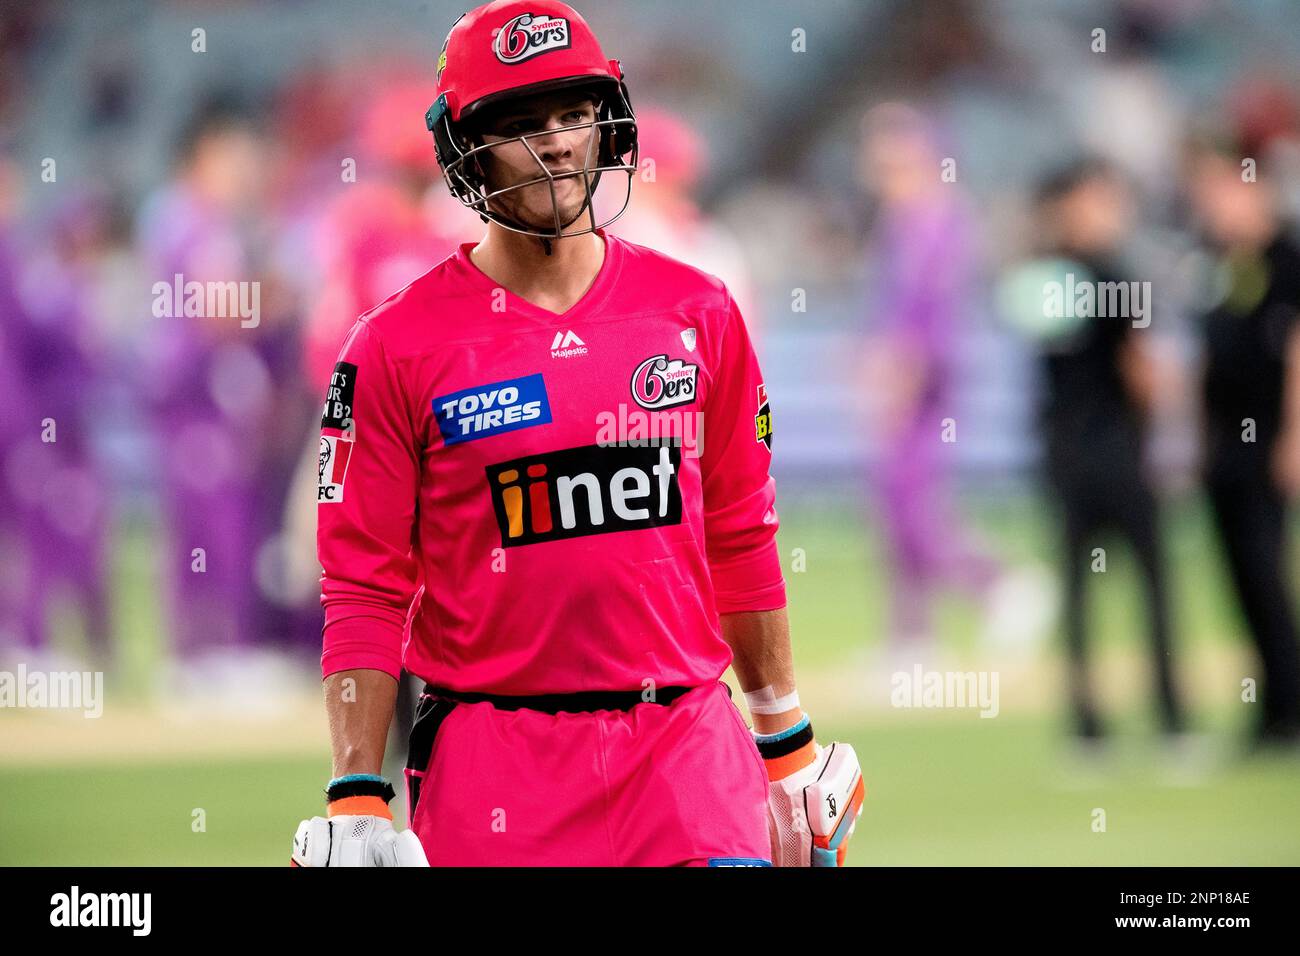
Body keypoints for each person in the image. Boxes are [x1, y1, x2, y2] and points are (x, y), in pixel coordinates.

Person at [291, 0, 863, 867]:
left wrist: (785, 747)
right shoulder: (391, 348)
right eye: (521, 123)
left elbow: (741, 534)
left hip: (688, 751)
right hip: (493, 760)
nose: (556, 141)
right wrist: (357, 795)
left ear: (610, 125)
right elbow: (365, 587)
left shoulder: (700, 311)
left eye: (574, 114)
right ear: (463, 151)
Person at [1023, 159, 1186, 743]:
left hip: (1084, 450)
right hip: (1104, 450)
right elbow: (1142, 365)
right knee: (1138, 585)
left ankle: (1118, 723)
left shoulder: (1048, 273)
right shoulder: (1112, 276)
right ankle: (1146, 723)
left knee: (1104, 590)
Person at [1185, 134, 1300, 751]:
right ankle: (1269, 710)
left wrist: (1294, 437)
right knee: (1239, 579)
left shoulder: (1286, 258)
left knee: (1267, 571)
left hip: (1269, 442)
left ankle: (1290, 704)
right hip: (1225, 446)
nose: (1209, 203)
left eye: (1219, 187)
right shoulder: (1219, 262)